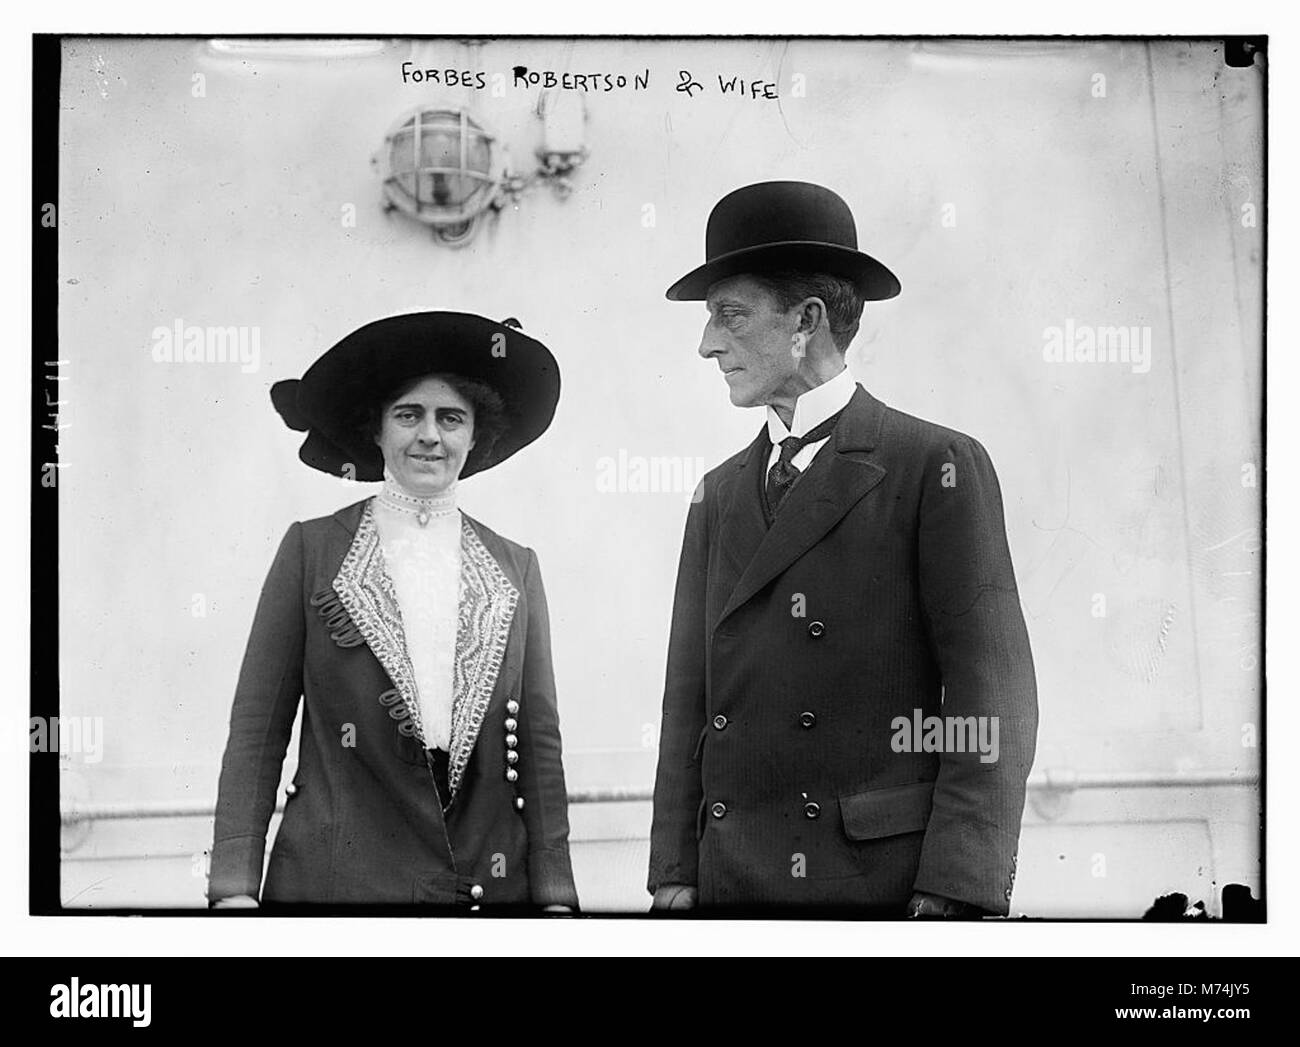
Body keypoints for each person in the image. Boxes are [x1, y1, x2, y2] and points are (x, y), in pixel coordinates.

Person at [648, 182, 1038, 916]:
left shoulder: (935, 465)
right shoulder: (717, 493)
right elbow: (686, 703)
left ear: (807, 321)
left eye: (729, 315)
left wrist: (956, 885)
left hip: (878, 888)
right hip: (727, 886)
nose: (707, 344)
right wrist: (673, 871)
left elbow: (993, 698)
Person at [208, 311, 578, 911]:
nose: (430, 435)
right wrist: (232, 888)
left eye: (450, 418)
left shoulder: (517, 568)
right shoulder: (312, 549)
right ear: (376, 432)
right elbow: (257, 730)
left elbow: (539, 743)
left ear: (475, 436)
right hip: (334, 893)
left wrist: (557, 893)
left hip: (488, 891)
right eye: (409, 415)